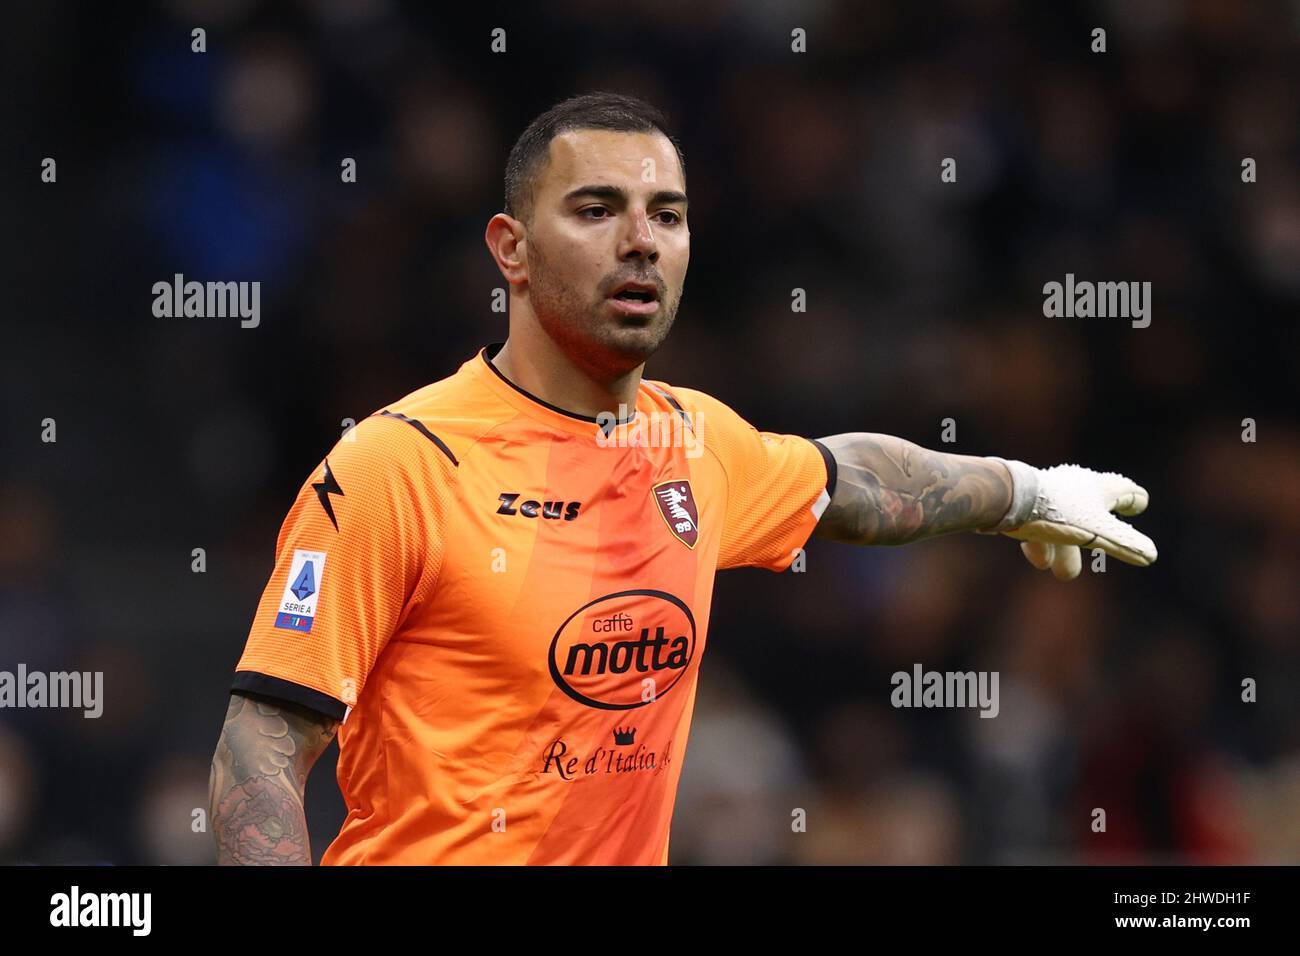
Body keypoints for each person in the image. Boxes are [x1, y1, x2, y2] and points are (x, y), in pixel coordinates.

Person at [208, 91, 1156, 865]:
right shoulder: (396, 465)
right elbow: (264, 740)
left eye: (667, 214)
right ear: (510, 248)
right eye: (595, 209)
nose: (642, 240)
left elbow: (854, 480)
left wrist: (1026, 491)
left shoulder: (698, 445)